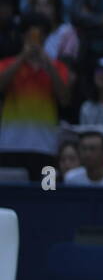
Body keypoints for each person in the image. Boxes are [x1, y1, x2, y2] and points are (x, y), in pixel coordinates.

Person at [0, 13, 73, 180]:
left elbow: (64, 98)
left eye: (39, 35)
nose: (35, 40)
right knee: (10, 194)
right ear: (22, 36)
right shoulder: (6, 64)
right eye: (31, 35)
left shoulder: (58, 67)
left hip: (46, 146)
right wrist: (22, 58)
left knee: (47, 192)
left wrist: (46, 62)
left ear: (46, 37)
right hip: (10, 144)